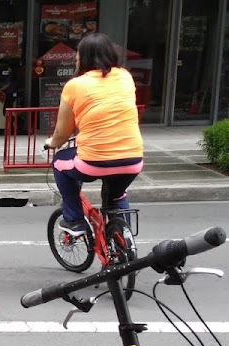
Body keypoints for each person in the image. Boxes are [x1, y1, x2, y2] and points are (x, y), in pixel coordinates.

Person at [43, 32, 144, 235]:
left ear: (84, 57)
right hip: (132, 160)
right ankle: (123, 239)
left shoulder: (75, 85)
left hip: (93, 163)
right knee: (116, 195)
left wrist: (51, 143)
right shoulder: (125, 76)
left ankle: (74, 220)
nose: (75, 59)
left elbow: (62, 134)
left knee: (60, 163)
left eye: (77, 55)